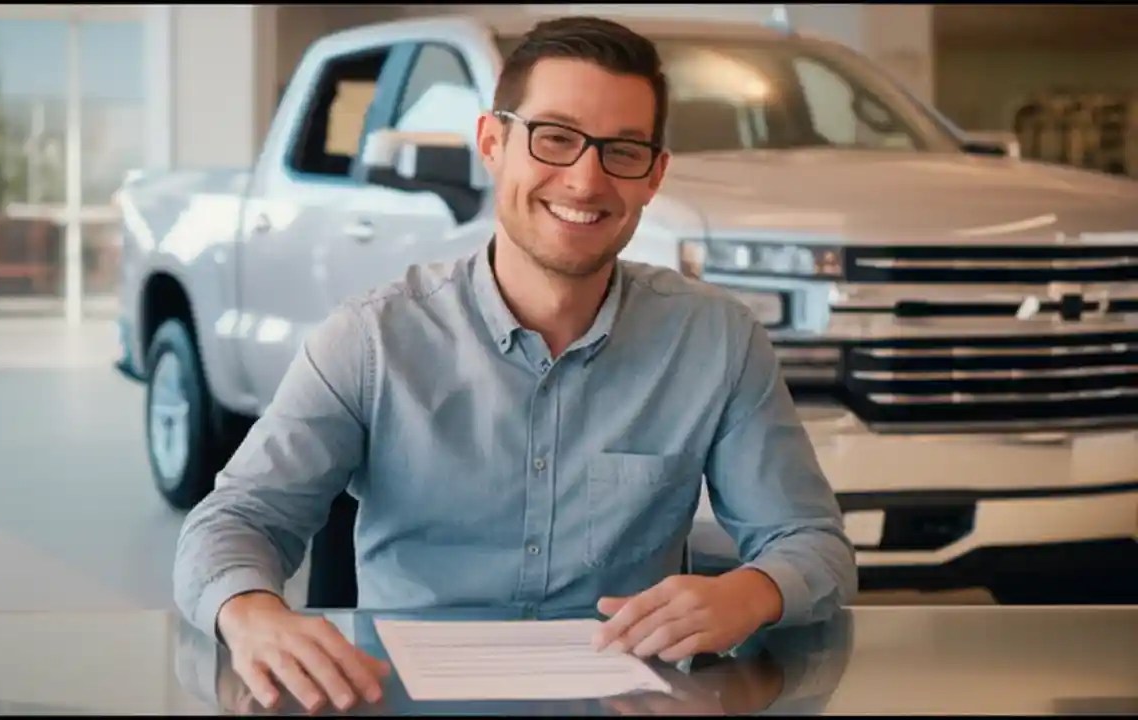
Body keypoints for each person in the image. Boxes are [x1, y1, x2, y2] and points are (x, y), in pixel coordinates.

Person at [173, 15, 857, 714]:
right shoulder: (374, 339)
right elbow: (236, 519)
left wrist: (750, 592)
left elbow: (811, 544)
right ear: (492, 144)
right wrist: (252, 612)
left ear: (653, 177)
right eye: (555, 138)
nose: (586, 181)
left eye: (621, 150)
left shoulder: (716, 340)